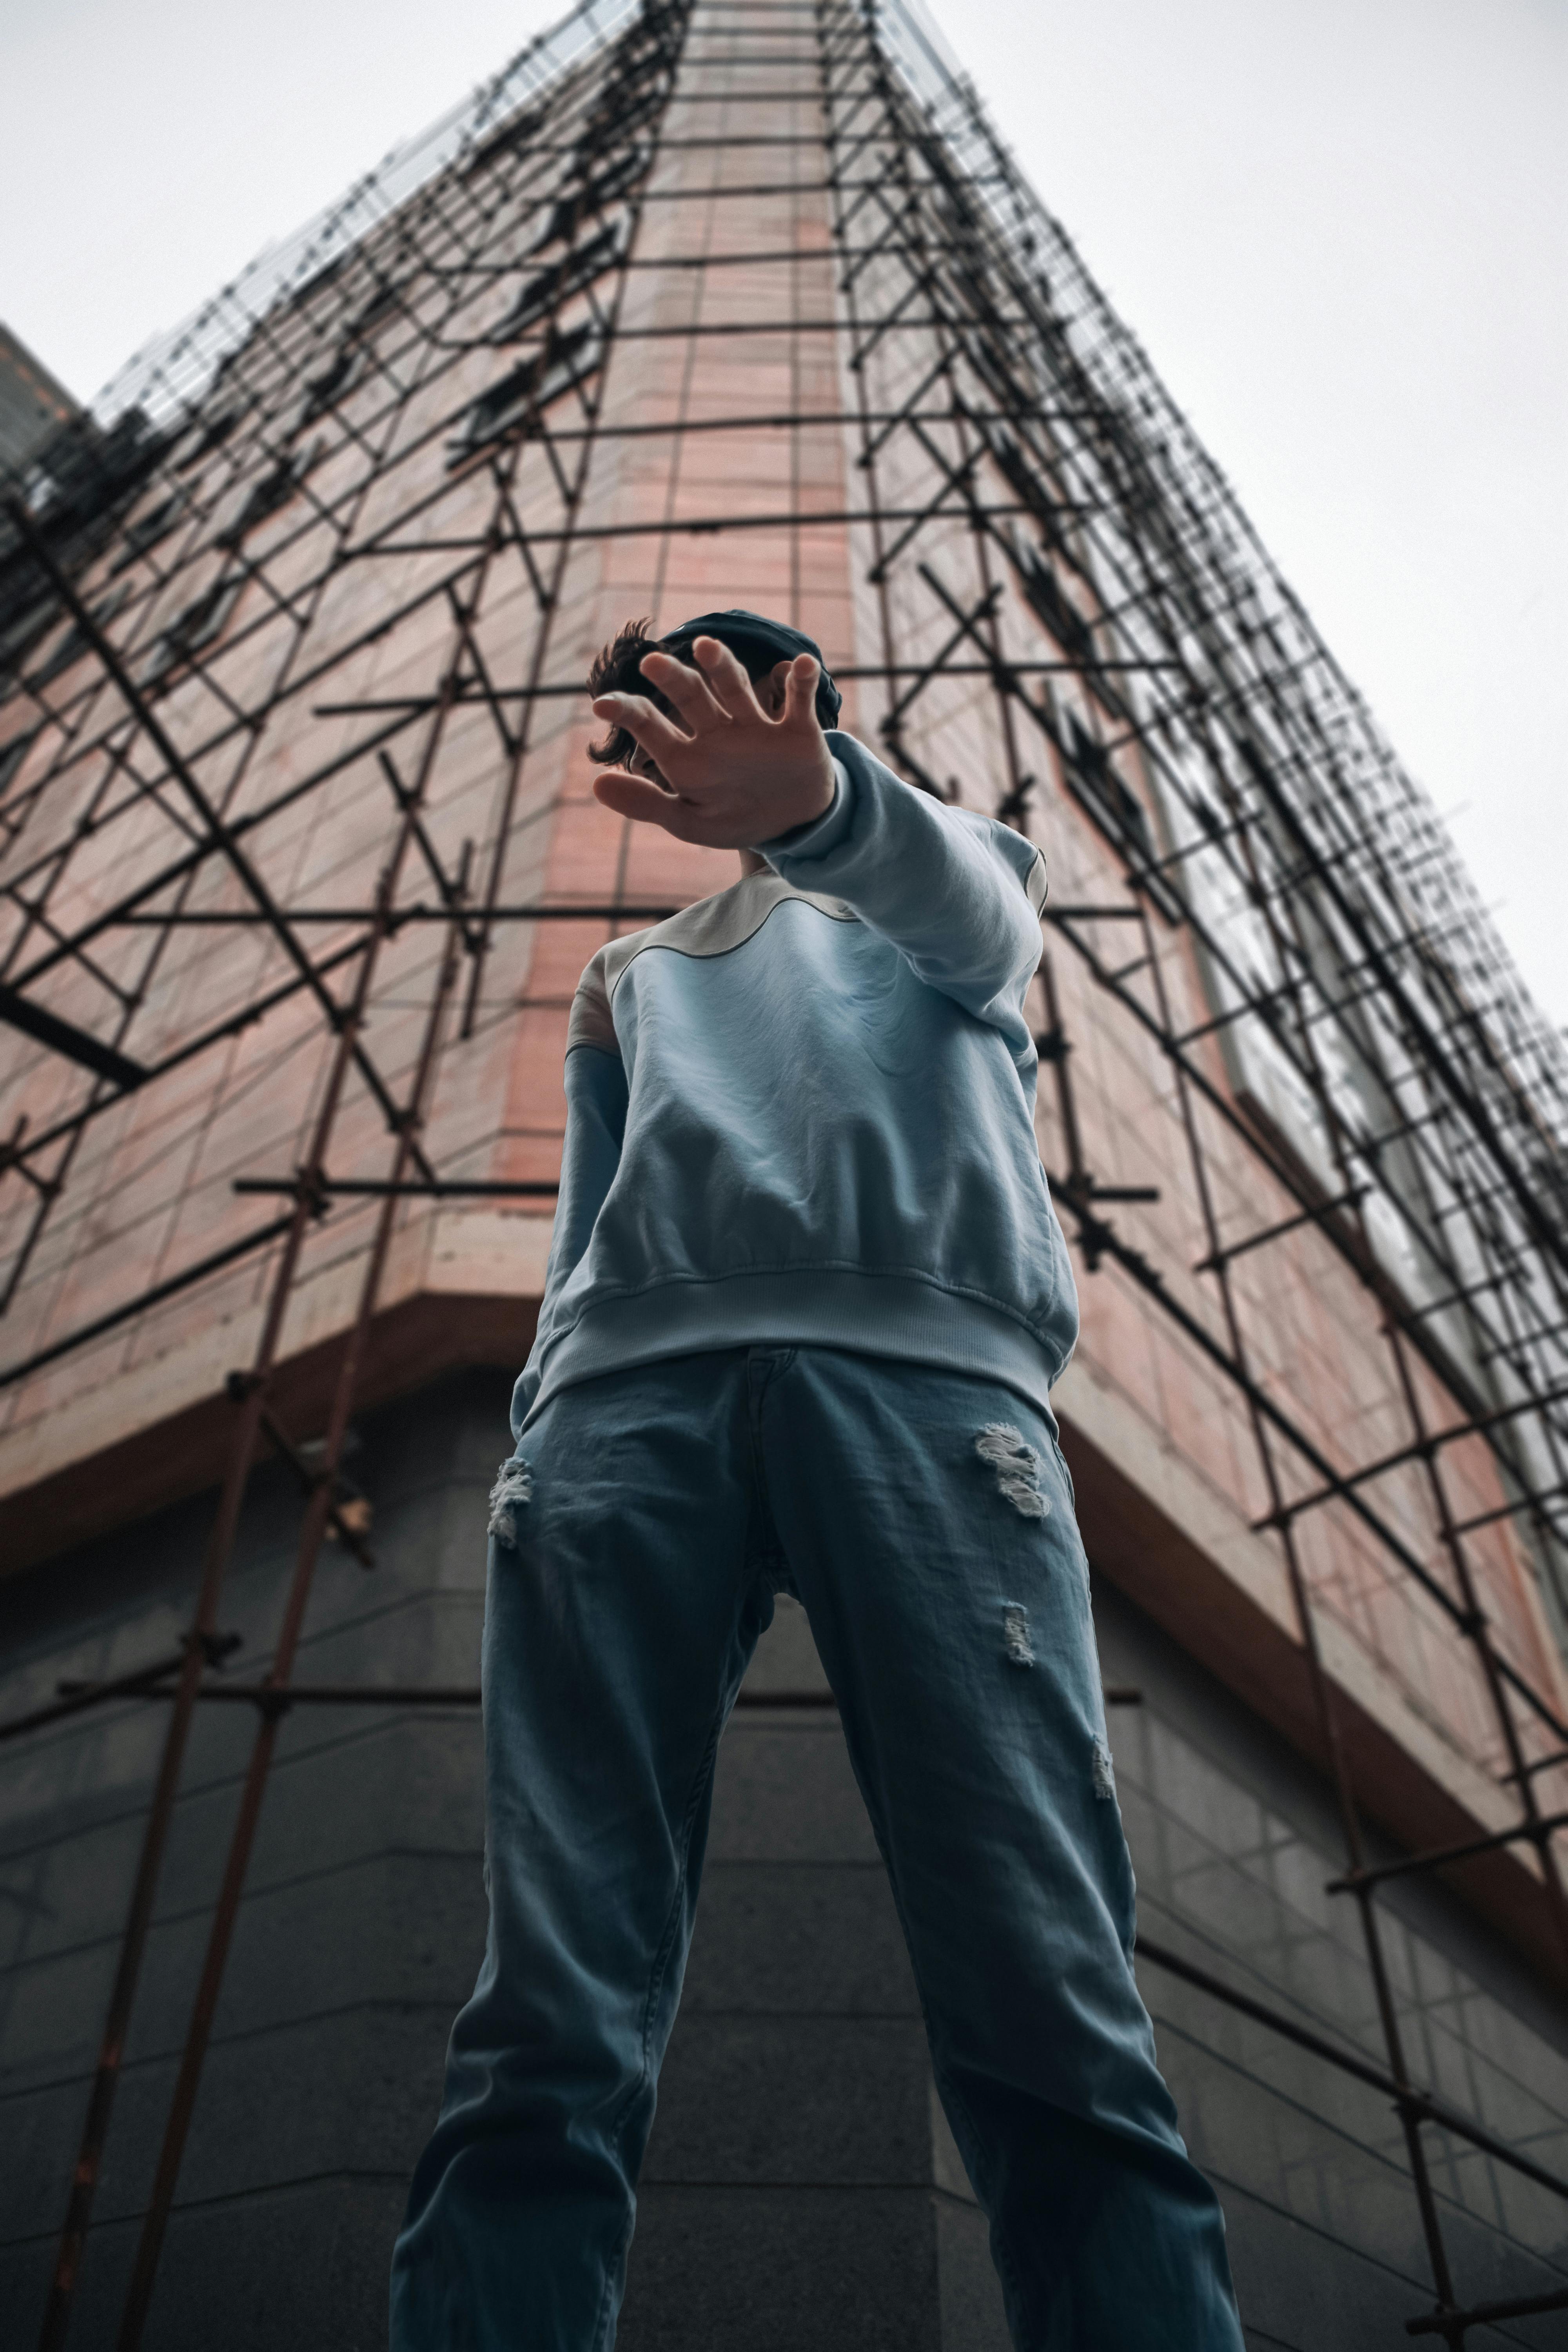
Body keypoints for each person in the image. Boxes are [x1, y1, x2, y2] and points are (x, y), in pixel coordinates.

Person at [390, 610, 1245, 2348]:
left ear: (805, 710)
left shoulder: (944, 874)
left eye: (716, 702)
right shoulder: (630, 971)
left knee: (1045, 1987)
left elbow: (976, 920)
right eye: (650, 721)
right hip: (621, 1421)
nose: (674, 742)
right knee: (546, 2012)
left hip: (928, 1397)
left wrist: (818, 802)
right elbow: (588, 1222)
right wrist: (548, 1421)